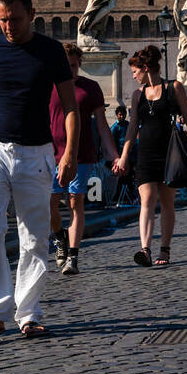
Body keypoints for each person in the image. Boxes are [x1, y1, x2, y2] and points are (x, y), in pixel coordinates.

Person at [0, 0, 78, 342]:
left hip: (35, 154)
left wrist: (69, 150)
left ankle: (28, 313)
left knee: (34, 237)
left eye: (15, 19)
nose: (8, 26)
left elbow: (70, 107)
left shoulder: (51, 52)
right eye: (2, 19)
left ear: (32, 16)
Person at [117, 45, 187, 269]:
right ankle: (145, 248)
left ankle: (164, 248)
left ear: (146, 68)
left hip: (169, 152)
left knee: (166, 201)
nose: (134, 76)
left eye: (135, 71)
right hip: (145, 153)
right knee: (146, 199)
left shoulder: (173, 87)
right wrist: (124, 156)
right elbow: (132, 126)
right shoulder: (138, 95)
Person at [49, 43, 120, 276]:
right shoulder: (47, 87)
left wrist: (114, 155)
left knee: (75, 202)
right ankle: (59, 236)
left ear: (79, 64)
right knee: (50, 204)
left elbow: (102, 125)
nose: (69, 70)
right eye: (64, 65)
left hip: (81, 155)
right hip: (49, 154)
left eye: (72, 65)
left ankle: (73, 255)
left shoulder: (90, 89)